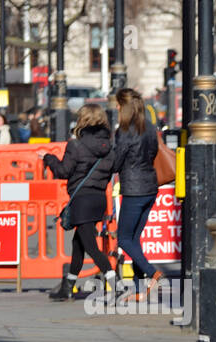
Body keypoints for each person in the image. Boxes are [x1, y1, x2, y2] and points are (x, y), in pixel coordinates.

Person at [42, 103, 116, 302]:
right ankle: (68, 287)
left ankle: (116, 285)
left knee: (91, 247)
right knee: (78, 244)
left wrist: (48, 158)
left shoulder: (76, 145)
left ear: (82, 121)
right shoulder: (109, 147)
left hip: (81, 199)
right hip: (99, 198)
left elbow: (63, 171)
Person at [109, 88, 163, 297]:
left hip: (133, 189)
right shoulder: (150, 127)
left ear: (124, 107)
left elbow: (116, 162)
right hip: (150, 187)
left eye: (118, 105)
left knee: (123, 239)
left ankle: (152, 273)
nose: (116, 107)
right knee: (135, 238)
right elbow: (154, 152)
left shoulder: (124, 131)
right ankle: (141, 288)